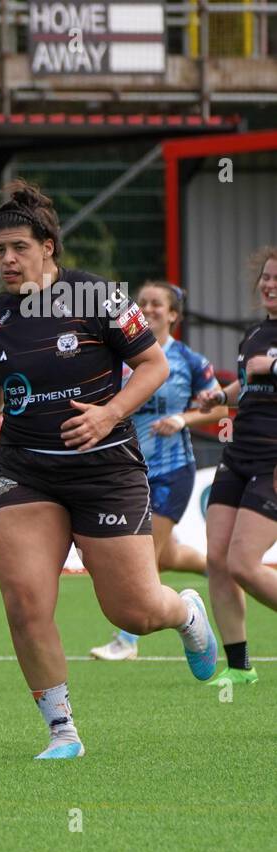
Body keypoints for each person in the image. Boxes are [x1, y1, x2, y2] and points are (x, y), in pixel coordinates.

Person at [0, 180, 217, 760]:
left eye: (19, 247)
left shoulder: (98, 297)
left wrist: (109, 414)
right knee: (23, 600)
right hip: (27, 471)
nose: (8, 261)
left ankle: (186, 611)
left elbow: (149, 364)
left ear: (49, 247)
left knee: (133, 611)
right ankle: (61, 730)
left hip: (105, 471)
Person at [91, 281, 226, 662]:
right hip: (126, 468)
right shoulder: (118, 356)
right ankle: (224, 569)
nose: (147, 309)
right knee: (164, 557)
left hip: (171, 471)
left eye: (156, 304)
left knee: (142, 558)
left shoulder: (189, 360)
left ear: (173, 315)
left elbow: (218, 408)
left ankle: (125, 641)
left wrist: (182, 419)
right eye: (142, 302)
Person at [196, 244, 277, 688]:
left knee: (245, 563)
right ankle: (239, 666)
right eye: (266, 277)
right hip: (239, 455)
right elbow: (250, 384)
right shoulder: (253, 336)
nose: (269, 284)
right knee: (218, 560)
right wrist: (220, 395)